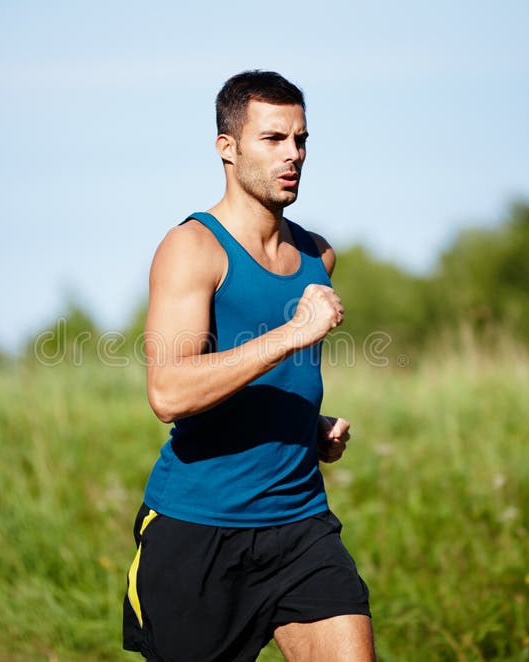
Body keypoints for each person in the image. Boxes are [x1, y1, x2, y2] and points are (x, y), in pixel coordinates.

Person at [123, 70, 374, 661]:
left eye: (301, 139)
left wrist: (302, 425)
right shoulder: (193, 247)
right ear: (227, 148)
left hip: (301, 526)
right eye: (273, 139)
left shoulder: (318, 255)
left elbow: (271, 380)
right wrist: (290, 334)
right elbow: (169, 392)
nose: (294, 155)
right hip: (198, 531)